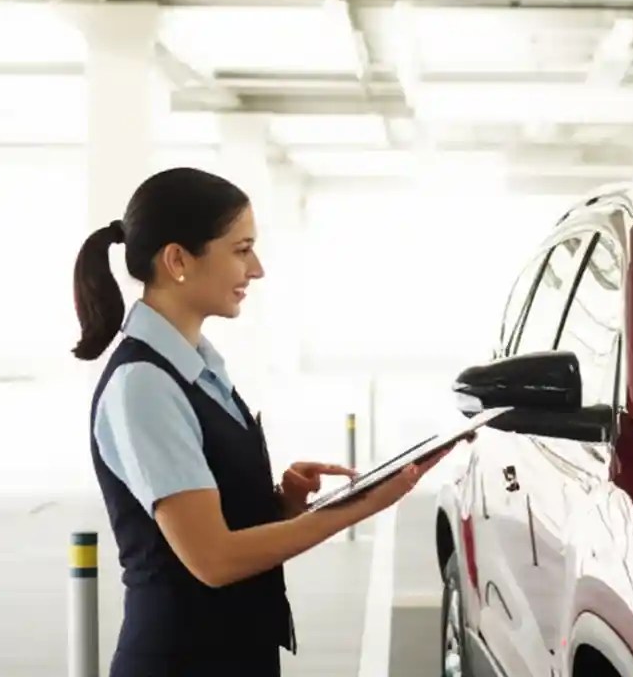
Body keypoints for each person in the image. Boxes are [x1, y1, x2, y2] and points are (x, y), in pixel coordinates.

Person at [71, 167, 448, 676]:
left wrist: (281, 506)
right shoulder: (143, 385)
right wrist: (361, 506)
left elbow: (216, 524)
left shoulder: (198, 366)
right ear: (178, 260)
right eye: (241, 250)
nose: (257, 269)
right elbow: (214, 559)